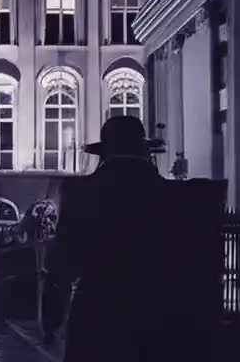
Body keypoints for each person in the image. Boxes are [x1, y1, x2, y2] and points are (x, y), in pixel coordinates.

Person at [40, 115, 174, 362]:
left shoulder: (79, 193)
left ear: (103, 154)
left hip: (96, 314)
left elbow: (61, 266)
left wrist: (52, 321)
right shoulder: (171, 195)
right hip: (156, 317)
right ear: (145, 151)